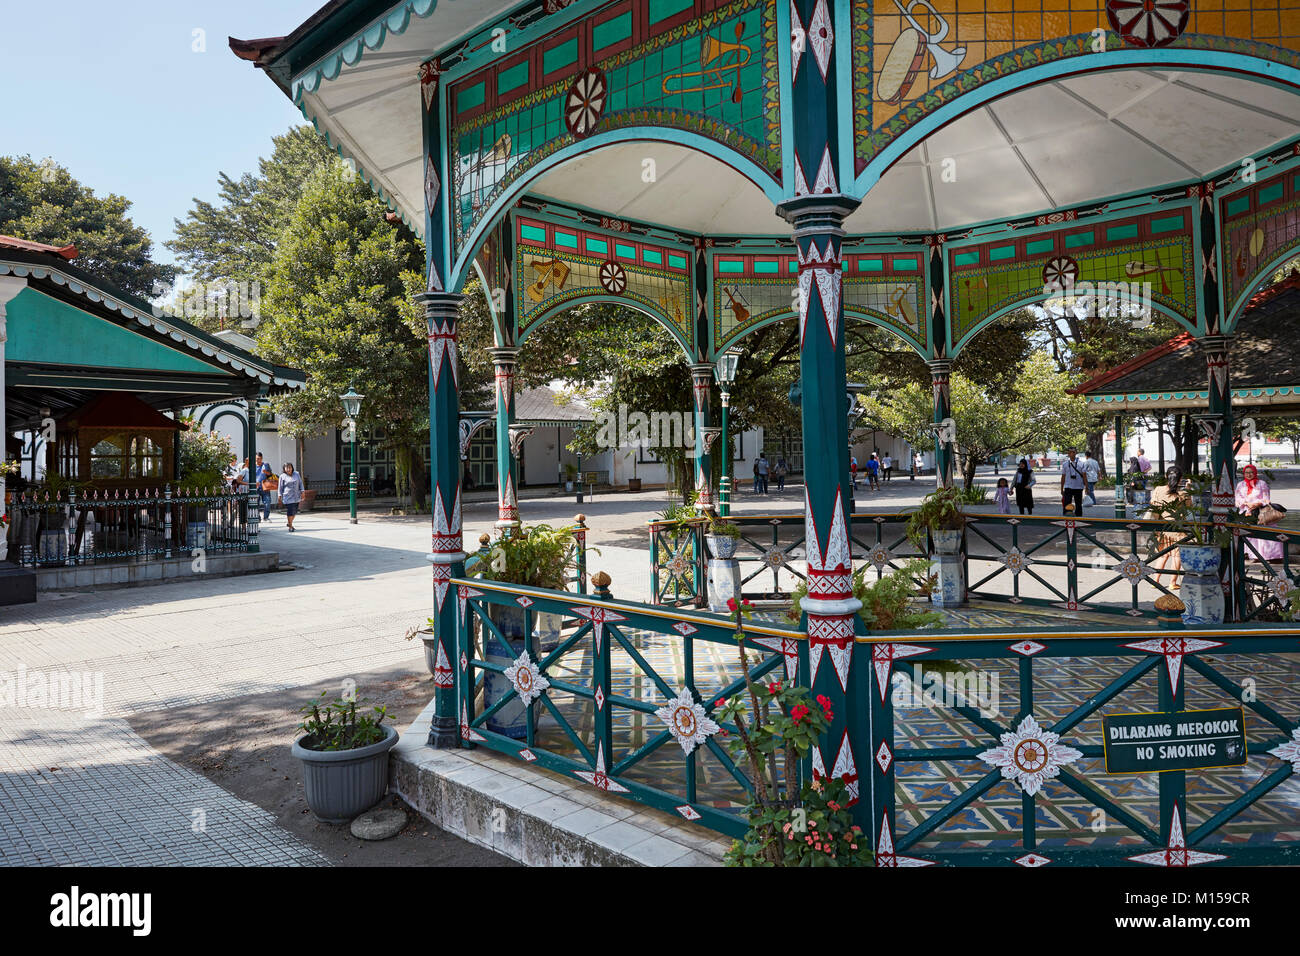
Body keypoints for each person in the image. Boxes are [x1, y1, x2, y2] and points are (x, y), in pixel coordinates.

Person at [1149, 465, 1190, 587]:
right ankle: (1172, 583)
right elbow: (1189, 507)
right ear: (1181, 478)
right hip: (1177, 530)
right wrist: (1189, 489)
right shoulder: (1182, 494)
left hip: (1162, 528)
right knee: (1176, 556)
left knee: (1162, 555)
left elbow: (1153, 505)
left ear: (1166, 476)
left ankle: (1155, 580)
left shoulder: (1158, 490)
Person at [1236, 464, 1285, 562]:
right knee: (1250, 534)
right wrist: (1247, 504)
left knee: (1265, 532)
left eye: (1251, 472)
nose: (1249, 475)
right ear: (1244, 474)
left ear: (1255, 473)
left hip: (1261, 512)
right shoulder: (1240, 485)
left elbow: (1266, 499)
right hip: (1246, 512)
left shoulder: (1262, 484)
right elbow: (1237, 499)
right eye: (1246, 473)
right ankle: (1253, 555)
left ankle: (1273, 556)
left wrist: (1257, 504)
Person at [278, 462, 305, 531]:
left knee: (295, 511)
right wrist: (279, 495)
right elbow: (280, 487)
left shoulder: (296, 474)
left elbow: (300, 483)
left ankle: (289, 522)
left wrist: (302, 491)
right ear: (284, 469)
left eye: (289, 467)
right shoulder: (282, 476)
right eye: (286, 467)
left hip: (296, 496)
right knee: (290, 511)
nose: (288, 469)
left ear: (292, 468)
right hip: (287, 497)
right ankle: (290, 526)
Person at [1060, 448, 1086, 516]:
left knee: (1078, 505)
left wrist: (1087, 487)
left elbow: (1084, 476)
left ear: (1076, 453)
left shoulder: (1081, 464)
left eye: (1073, 452)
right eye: (1070, 452)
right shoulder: (1065, 464)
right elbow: (1063, 476)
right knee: (1067, 504)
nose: (1072, 454)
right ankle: (1066, 520)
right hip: (1068, 487)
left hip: (1078, 487)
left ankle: (1079, 519)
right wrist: (1061, 488)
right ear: (1068, 454)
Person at [253, 452, 275, 522]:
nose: (257, 460)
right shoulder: (252, 466)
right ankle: (258, 517)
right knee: (256, 503)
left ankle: (266, 517)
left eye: (259, 459)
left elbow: (270, 474)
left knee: (267, 502)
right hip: (256, 487)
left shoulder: (265, 465)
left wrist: (266, 472)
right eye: (256, 459)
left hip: (265, 487)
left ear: (261, 458)